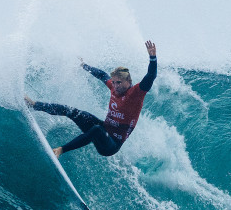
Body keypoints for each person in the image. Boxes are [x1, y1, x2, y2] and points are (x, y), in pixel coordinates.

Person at [25, 40, 157, 158]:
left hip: (111, 145)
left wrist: (152, 57)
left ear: (128, 81)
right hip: (104, 128)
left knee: (96, 130)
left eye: (119, 83)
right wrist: (84, 65)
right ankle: (34, 105)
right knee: (72, 111)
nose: (115, 86)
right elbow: (101, 74)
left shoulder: (136, 93)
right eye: (114, 82)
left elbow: (150, 76)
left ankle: (61, 150)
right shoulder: (113, 87)